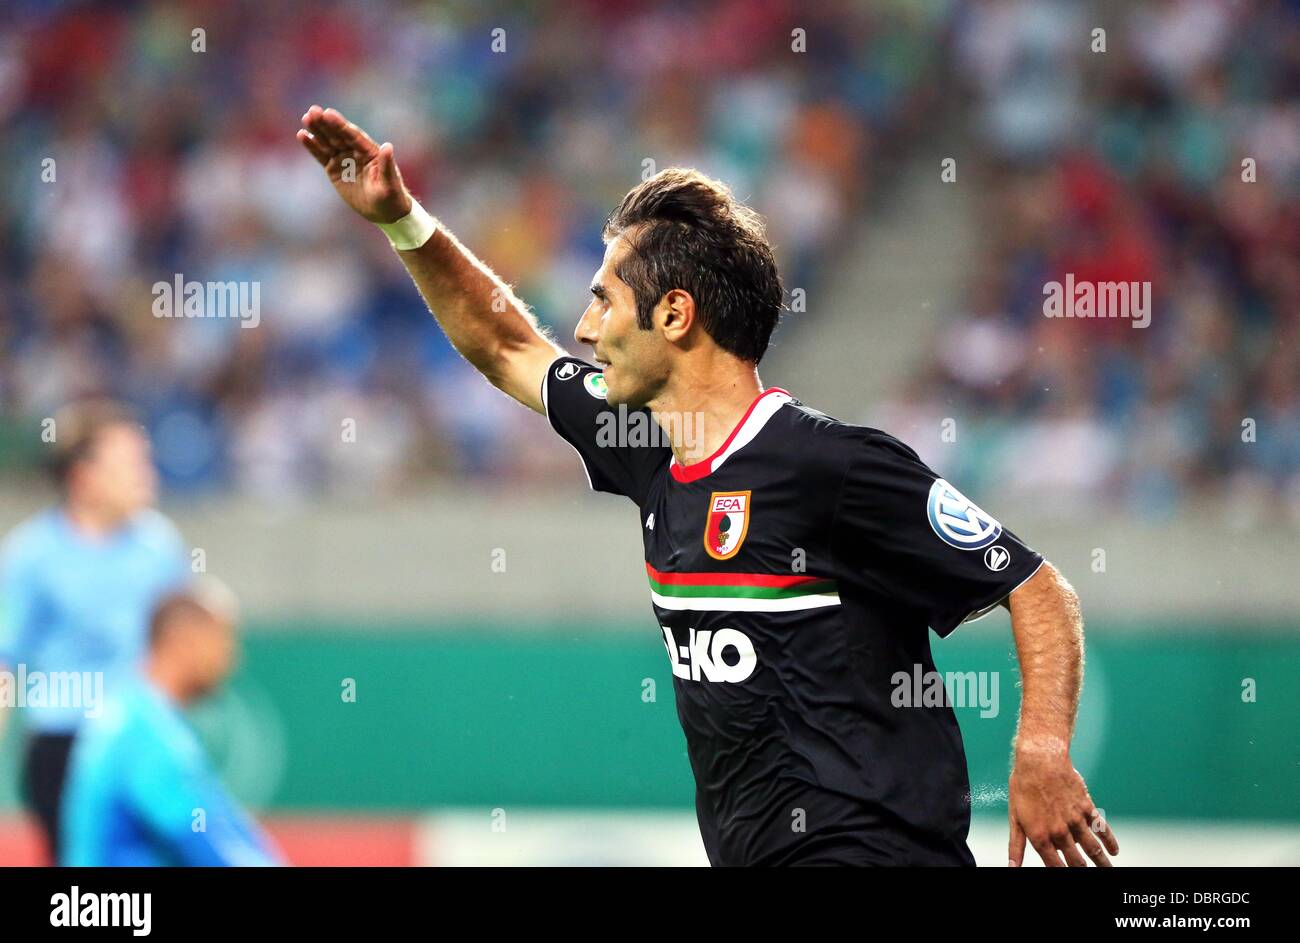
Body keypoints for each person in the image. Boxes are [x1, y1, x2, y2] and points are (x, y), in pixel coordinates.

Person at [296, 105, 1119, 867]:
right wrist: (403, 221)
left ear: (676, 315)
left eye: (603, 301)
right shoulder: (644, 445)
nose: (584, 329)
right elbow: (507, 344)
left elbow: (1037, 588)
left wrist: (1041, 751)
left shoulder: (829, 466)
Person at [0, 400, 188, 862]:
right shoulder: (31, 555)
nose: (147, 473)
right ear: (83, 476)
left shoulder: (161, 549)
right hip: (65, 746)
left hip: (143, 744)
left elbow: (178, 652)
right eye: (130, 462)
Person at [61, 581, 282, 866]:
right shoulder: (144, 733)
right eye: (223, 639)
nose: (232, 657)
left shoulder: (144, 717)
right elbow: (202, 844)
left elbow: (225, 826)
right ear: (184, 640)